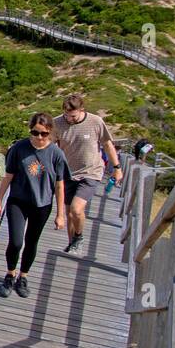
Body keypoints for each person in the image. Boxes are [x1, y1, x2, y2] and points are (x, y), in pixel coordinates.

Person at [0, 112, 69, 298]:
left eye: (44, 133)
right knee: (16, 241)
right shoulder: (19, 148)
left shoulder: (56, 154)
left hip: (42, 204)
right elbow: (8, 176)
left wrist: (61, 214)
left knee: (32, 242)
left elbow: (60, 185)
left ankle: (23, 276)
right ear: (30, 131)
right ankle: (10, 274)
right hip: (18, 201)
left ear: (50, 132)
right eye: (35, 133)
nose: (39, 137)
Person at [52, 93, 121, 253]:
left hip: (91, 172)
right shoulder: (57, 123)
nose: (69, 119)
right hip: (67, 173)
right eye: (66, 115)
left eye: (73, 116)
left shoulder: (95, 121)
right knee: (69, 213)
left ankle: (79, 236)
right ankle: (72, 245)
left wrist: (117, 168)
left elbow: (108, 145)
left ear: (82, 110)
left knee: (76, 209)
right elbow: (49, 145)